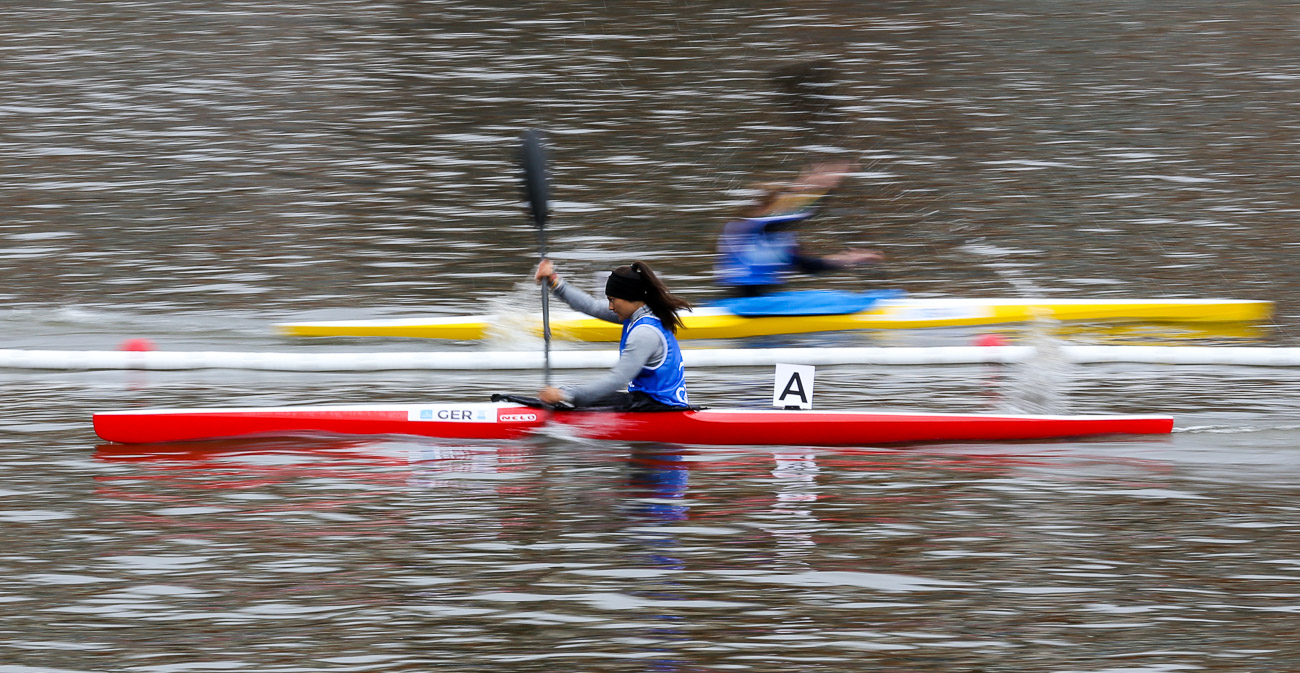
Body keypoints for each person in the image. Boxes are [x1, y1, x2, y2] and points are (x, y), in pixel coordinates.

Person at [532, 259, 693, 411]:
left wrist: (565, 395)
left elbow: (617, 379)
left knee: (572, 398)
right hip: (646, 403)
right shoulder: (639, 314)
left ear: (630, 297)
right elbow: (592, 306)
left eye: (612, 300)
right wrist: (555, 282)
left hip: (659, 408)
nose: (610, 307)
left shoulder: (645, 333)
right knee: (577, 397)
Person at [714, 160, 883, 298]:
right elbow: (792, 212)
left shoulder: (774, 237)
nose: (786, 210)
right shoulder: (746, 228)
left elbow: (808, 266)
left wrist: (847, 260)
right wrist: (816, 186)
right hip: (746, 306)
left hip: (760, 303)